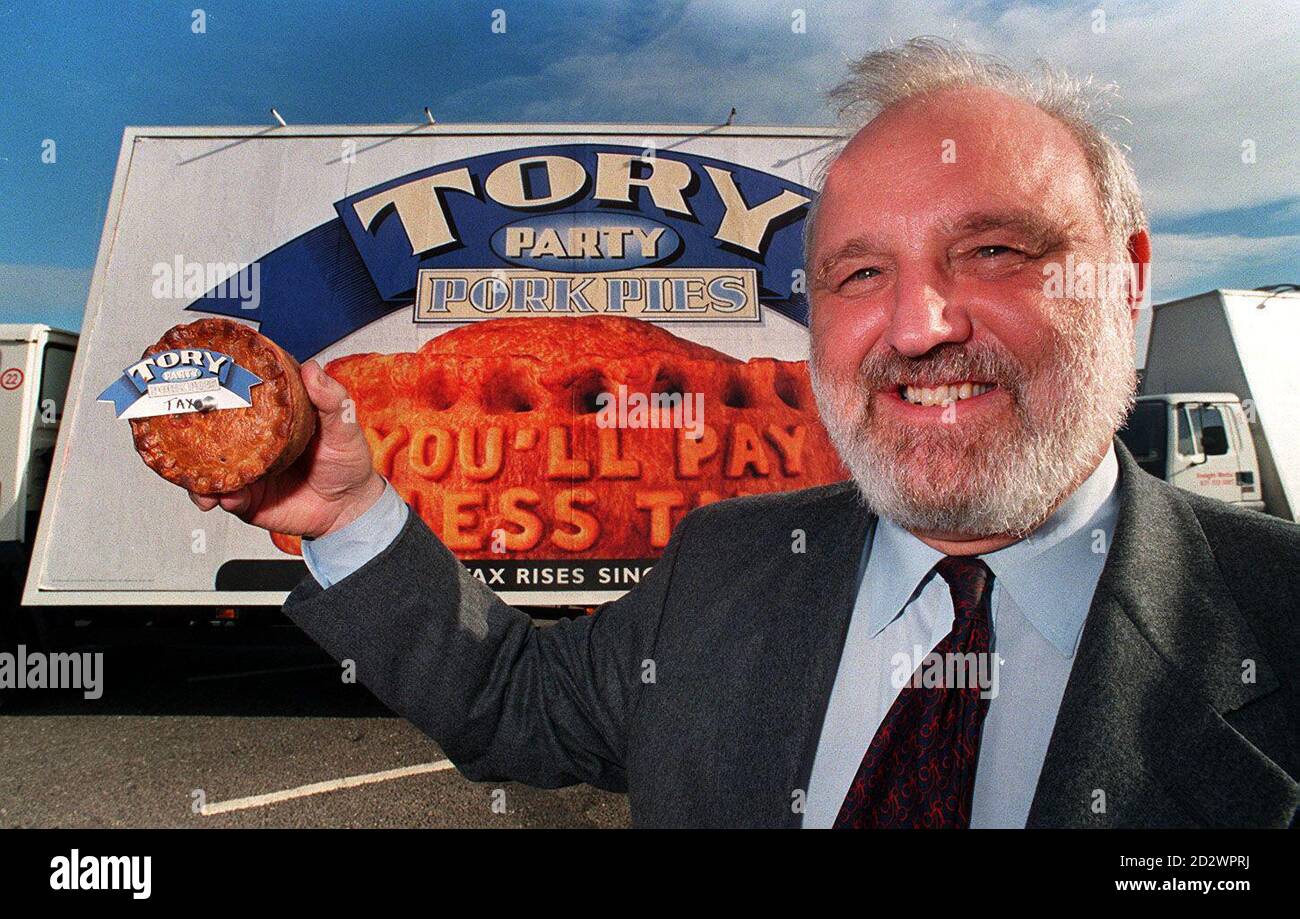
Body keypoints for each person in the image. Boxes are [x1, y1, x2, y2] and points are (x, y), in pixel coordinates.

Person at [188, 38, 1298, 828]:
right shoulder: (727, 563)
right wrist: (343, 513)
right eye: (860, 273)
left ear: (1127, 283)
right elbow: (513, 703)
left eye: (997, 252)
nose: (918, 326)